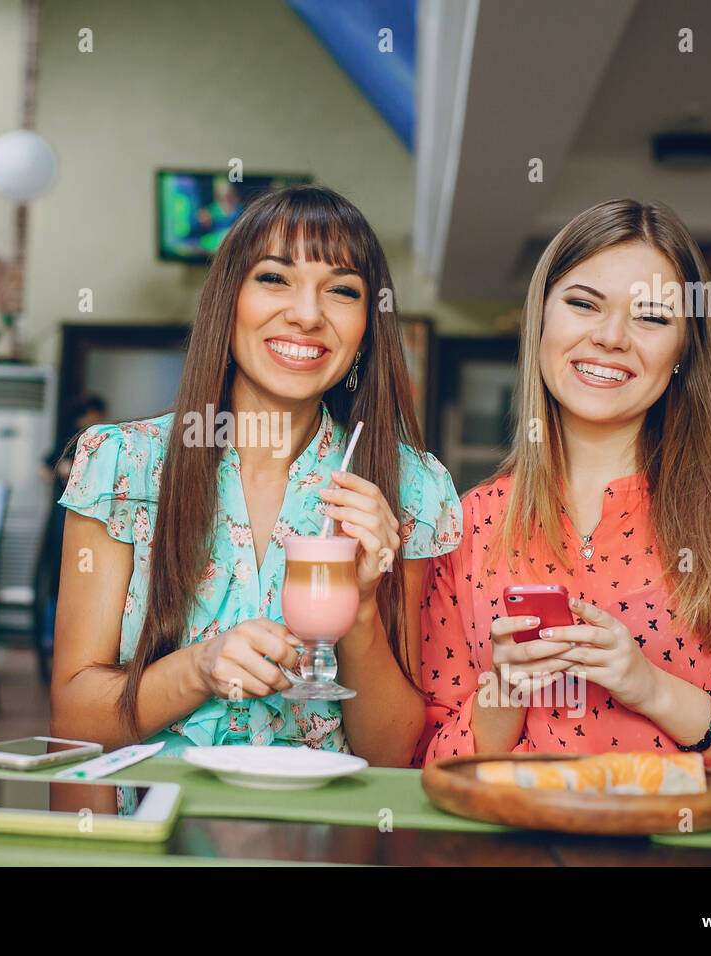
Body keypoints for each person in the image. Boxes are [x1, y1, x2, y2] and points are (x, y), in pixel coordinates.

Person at [417, 199, 711, 789]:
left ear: (683, 352)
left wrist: (655, 689)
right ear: (541, 320)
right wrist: (500, 698)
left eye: (651, 317)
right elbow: (420, 767)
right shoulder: (467, 526)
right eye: (582, 304)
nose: (609, 337)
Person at [51, 185, 461, 766]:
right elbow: (73, 722)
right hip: (152, 837)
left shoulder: (409, 488)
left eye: (342, 291)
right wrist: (198, 667)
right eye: (275, 278)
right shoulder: (123, 464)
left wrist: (362, 609)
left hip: (317, 845)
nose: (308, 314)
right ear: (229, 298)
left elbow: (391, 754)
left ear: (369, 325)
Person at [33, 395, 108, 683]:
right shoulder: (72, 438)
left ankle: (77, 638)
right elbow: (43, 468)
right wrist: (63, 471)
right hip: (61, 521)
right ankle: (52, 635)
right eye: (92, 414)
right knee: (57, 578)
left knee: (85, 578)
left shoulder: (103, 440)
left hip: (90, 522)